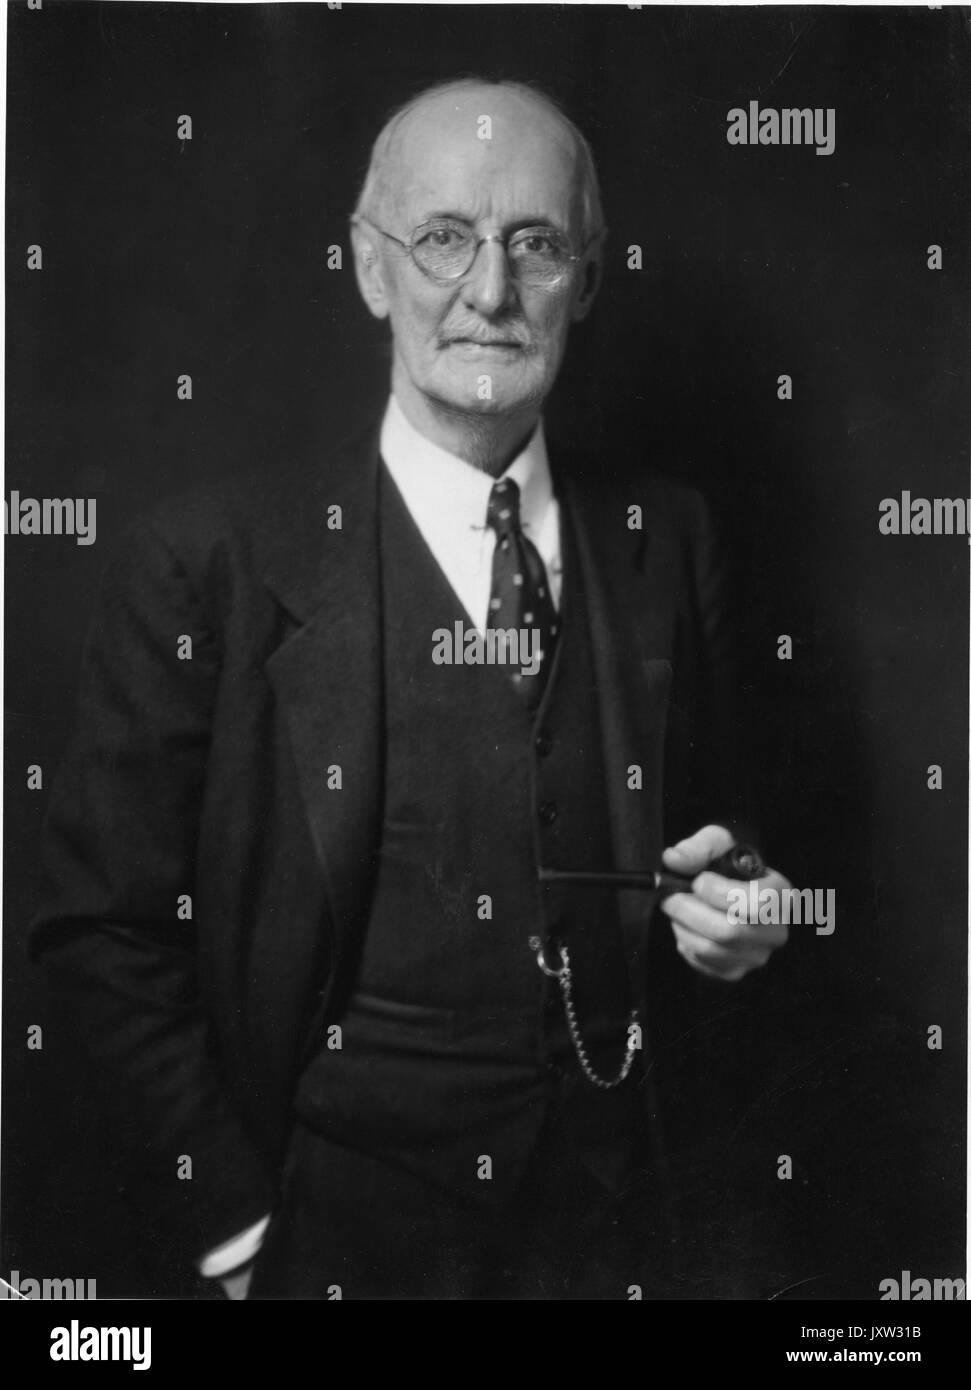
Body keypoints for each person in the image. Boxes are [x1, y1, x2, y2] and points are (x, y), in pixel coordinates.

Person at [31, 77, 791, 1300]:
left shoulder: (670, 536)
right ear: (370, 268)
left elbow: (719, 835)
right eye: (443, 239)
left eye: (533, 245)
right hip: (329, 1250)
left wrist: (741, 910)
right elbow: (97, 932)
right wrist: (234, 1239)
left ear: (585, 281)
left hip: (621, 1244)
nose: (488, 292)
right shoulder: (205, 565)